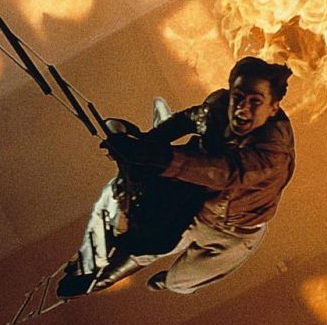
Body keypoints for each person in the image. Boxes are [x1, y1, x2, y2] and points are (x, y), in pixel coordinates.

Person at [97, 56, 296, 294]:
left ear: (273, 107)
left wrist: (150, 155)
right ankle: (102, 274)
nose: (242, 108)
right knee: (146, 244)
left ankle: (170, 281)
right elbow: (187, 120)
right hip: (197, 207)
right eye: (238, 97)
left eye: (255, 102)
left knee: (179, 282)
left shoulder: (273, 153)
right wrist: (146, 142)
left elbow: (224, 172)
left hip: (234, 233)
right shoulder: (218, 106)